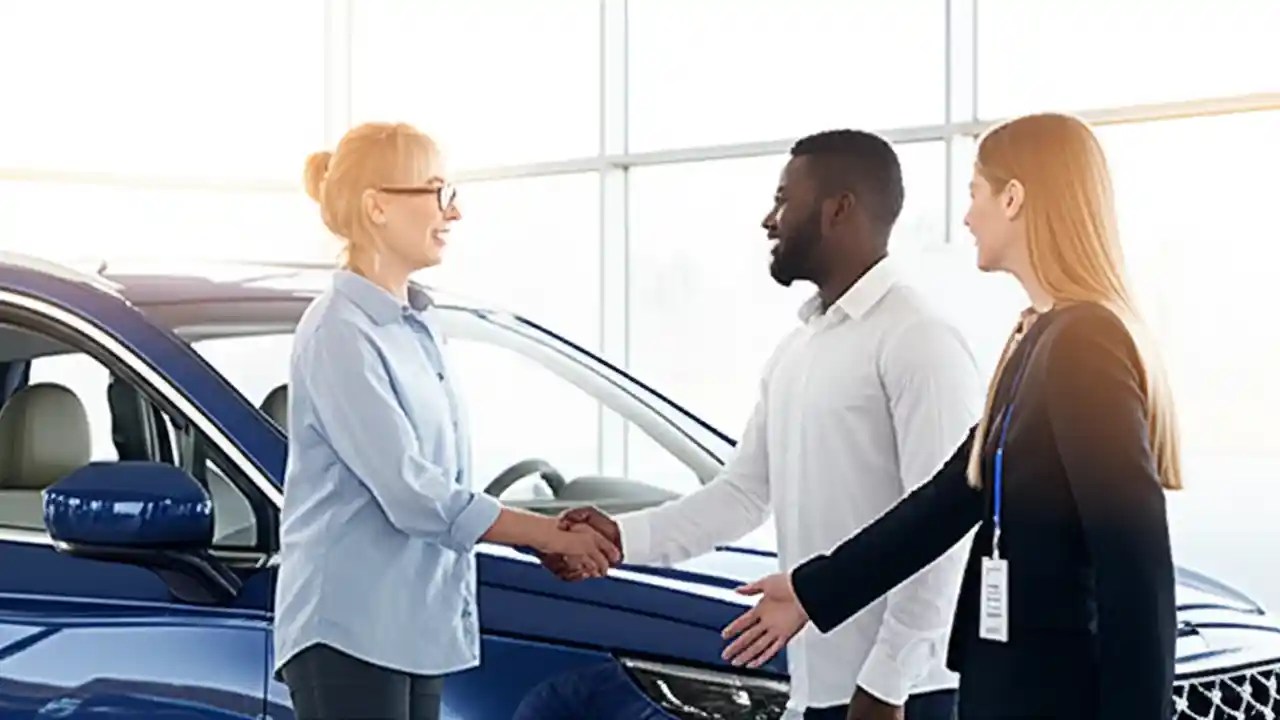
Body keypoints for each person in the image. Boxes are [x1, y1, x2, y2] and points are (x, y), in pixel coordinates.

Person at [720, 113, 1182, 720]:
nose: (967, 217)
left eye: (976, 193)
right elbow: (948, 498)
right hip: (1013, 688)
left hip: (1057, 695)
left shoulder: (1083, 343)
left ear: (1014, 197)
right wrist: (813, 590)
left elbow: (1135, 563)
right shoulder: (1038, 337)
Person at [546, 130, 984, 720]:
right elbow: (742, 495)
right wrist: (620, 539)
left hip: (902, 699)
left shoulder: (918, 338)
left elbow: (944, 533)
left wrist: (886, 683)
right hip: (820, 694)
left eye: (783, 200)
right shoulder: (798, 350)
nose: (768, 220)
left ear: (837, 209)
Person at [272, 121, 620, 720]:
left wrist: (539, 534)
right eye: (437, 191)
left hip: (418, 624)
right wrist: (540, 534)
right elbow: (411, 491)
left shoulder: (419, 327)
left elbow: (445, 482)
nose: (453, 212)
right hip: (351, 627)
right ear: (377, 206)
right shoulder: (338, 332)